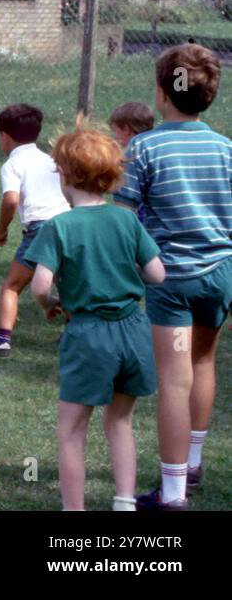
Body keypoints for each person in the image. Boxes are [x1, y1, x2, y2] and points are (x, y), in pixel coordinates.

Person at [115, 44, 232, 510]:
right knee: (204, 362)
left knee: (174, 381)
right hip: (221, 276)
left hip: (171, 284)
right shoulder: (227, 149)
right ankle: (195, 462)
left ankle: (173, 494)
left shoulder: (144, 146)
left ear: (162, 93)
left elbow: (124, 218)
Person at [26, 121, 164, 511]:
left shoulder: (59, 227)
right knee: (120, 421)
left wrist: (50, 302)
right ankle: (124, 502)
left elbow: (39, 286)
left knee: (71, 430)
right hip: (133, 331)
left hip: (89, 335)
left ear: (65, 174)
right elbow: (157, 274)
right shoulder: (126, 219)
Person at [0, 104, 70, 358]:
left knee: (12, 285)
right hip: (68, 224)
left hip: (40, 229)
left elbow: (11, 200)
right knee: (69, 281)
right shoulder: (51, 160)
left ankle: (2, 341)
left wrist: (1, 230)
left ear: (4, 136)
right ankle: (72, 334)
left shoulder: (12, 164)